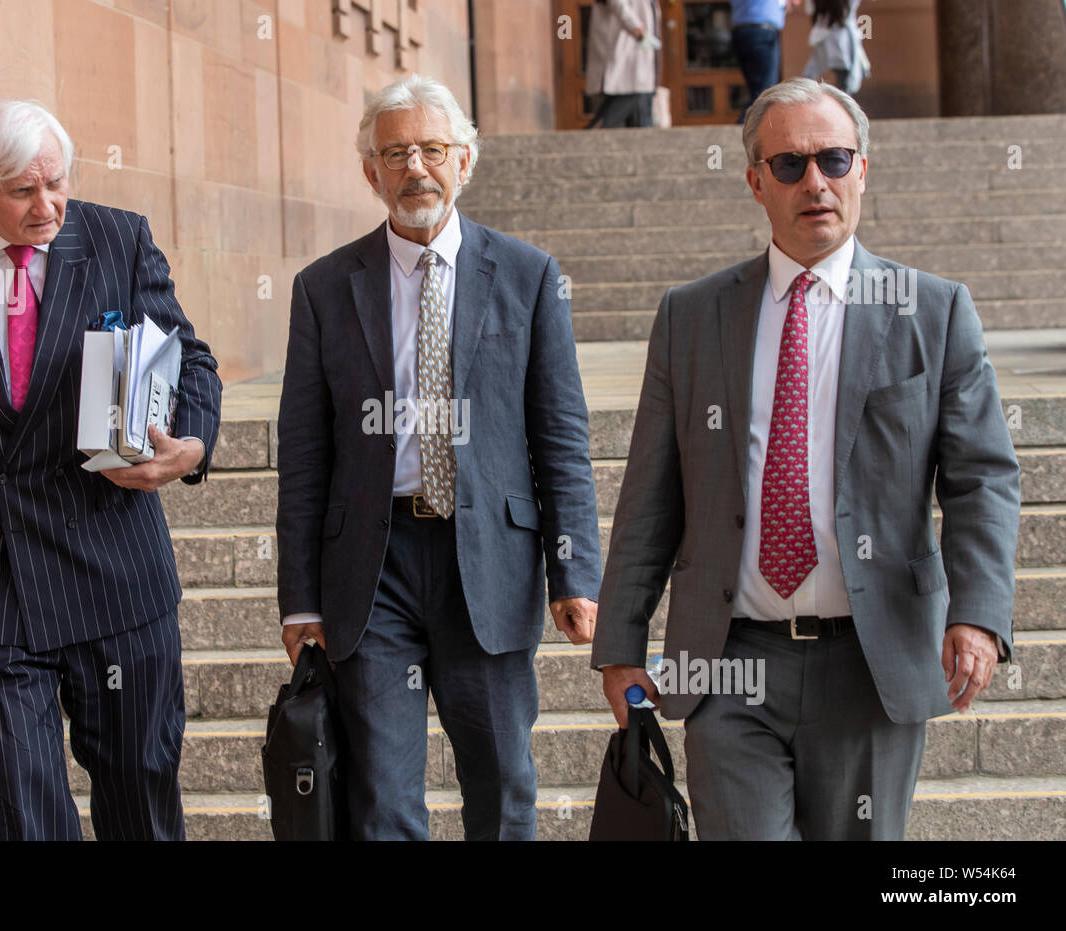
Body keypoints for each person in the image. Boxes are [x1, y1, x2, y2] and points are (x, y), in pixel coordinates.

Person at [591, 78, 1020, 840]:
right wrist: (621, 642)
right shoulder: (692, 316)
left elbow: (982, 477)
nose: (814, 181)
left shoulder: (933, 310)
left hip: (871, 660)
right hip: (730, 662)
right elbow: (651, 491)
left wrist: (979, 614)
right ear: (755, 181)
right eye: (789, 164)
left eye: (833, 159)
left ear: (863, 169)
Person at [0, 100, 222, 840]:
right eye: (22, 191)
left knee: (140, 799)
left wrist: (190, 446)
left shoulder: (118, 238)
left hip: (115, 562)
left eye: (57, 183)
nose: (47, 206)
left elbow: (191, 359)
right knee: (24, 812)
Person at [276, 74, 602, 841]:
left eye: (430, 149)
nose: (414, 168)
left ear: (464, 160)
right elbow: (304, 453)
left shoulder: (528, 275)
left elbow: (561, 436)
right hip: (372, 567)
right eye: (395, 153)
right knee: (382, 798)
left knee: (503, 785)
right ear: (371, 172)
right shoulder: (324, 288)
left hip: (487, 559)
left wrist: (574, 570)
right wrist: (300, 597)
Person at [585, 0, 662, 129]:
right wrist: (636, 28)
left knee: (640, 114)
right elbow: (619, 5)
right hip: (624, 54)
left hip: (637, 59)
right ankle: (594, 133)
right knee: (630, 98)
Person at [731, 0, 795, 121]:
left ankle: (746, 126)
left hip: (741, 31)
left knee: (758, 91)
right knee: (765, 92)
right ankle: (743, 127)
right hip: (762, 31)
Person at [802, 0, 871, 94]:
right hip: (843, 39)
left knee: (809, 77)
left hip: (824, 36)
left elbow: (809, 10)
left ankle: (804, 97)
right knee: (845, 80)